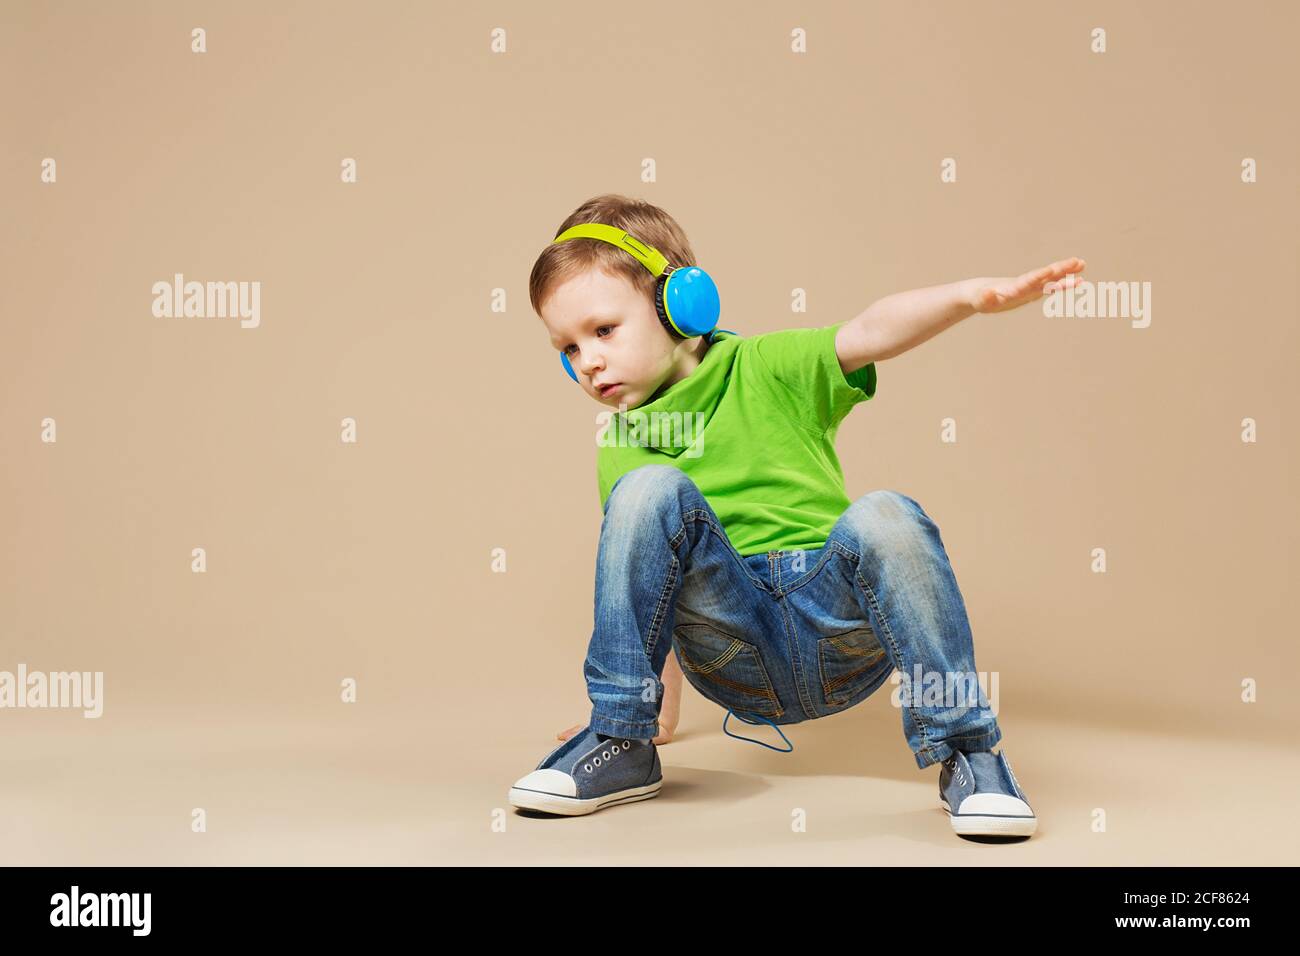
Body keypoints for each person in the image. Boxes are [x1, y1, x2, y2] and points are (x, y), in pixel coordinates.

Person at [508, 194, 1084, 838]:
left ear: (681, 306)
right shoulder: (621, 448)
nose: (587, 360)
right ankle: (620, 743)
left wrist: (970, 297)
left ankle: (968, 752)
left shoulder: (766, 367)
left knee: (886, 513)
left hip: (837, 632)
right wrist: (653, 717)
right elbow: (648, 592)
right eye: (568, 347)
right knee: (645, 493)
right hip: (732, 652)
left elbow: (869, 331)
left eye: (603, 330)